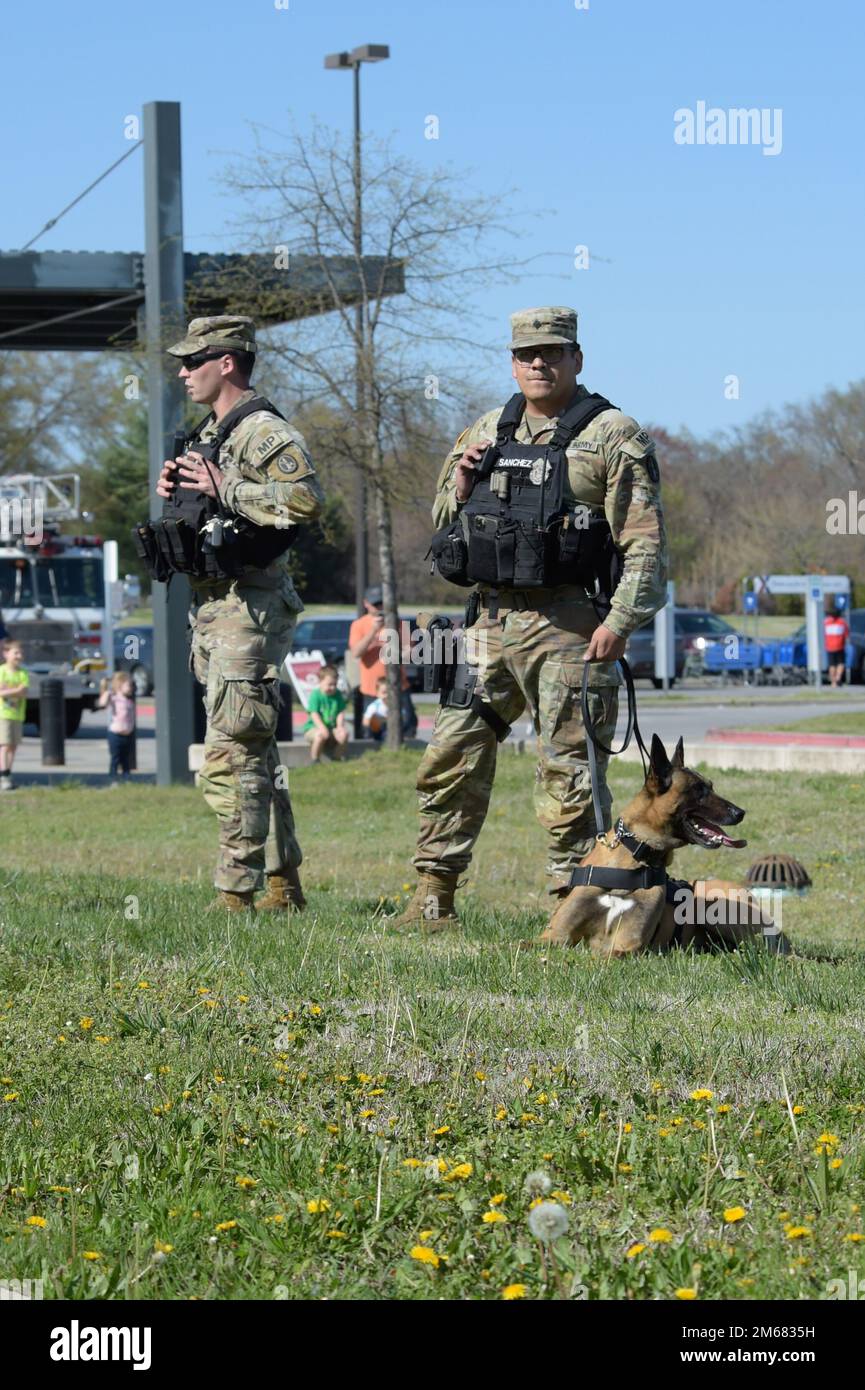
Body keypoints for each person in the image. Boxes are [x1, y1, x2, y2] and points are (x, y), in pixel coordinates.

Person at [394, 305, 668, 931]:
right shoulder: (486, 429)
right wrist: (462, 486)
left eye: (551, 352)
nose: (538, 363)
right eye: (525, 354)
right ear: (512, 362)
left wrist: (619, 622)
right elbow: (442, 522)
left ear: (577, 358)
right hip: (488, 625)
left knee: (569, 777)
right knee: (449, 757)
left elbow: (646, 543)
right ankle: (432, 898)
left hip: (569, 627)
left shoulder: (613, 435)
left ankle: (572, 916)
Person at [155, 316, 324, 913]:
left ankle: (234, 892)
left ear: (226, 363)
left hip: (249, 606)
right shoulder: (211, 432)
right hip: (215, 607)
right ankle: (282, 884)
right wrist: (181, 494)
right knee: (255, 747)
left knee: (231, 755)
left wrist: (225, 487)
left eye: (191, 362)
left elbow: (305, 500)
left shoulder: (262, 431)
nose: (182, 373)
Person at [348, 586, 417, 738]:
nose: (380, 607)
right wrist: (374, 630)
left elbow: (410, 652)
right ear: (366, 603)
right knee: (372, 731)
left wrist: (398, 649)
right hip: (371, 689)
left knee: (407, 727)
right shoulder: (359, 625)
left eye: (382, 603)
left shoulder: (398, 623)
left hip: (398, 685)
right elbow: (356, 653)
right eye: (376, 604)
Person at [303, 664, 349, 761]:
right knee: (320, 736)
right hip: (314, 728)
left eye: (335, 684)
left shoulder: (337, 694)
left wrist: (340, 727)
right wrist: (322, 727)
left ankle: (336, 758)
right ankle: (315, 759)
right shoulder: (316, 695)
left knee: (344, 735)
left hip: (331, 728)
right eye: (329, 684)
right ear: (320, 682)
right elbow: (314, 714)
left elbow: (340, 712)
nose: (333, 687)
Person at [0, 639, 29, 791]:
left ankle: (8, 774)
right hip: (3, 714)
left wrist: (8, 691)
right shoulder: (2, 671)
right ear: (6, 654)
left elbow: (23, 692)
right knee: (5, 745)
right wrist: (15, 690)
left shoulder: (23, 673)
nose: (19, 656)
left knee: (13, 746)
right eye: (16, 653)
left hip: (17, 715)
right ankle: (3, 775)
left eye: (21, 653)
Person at [97, 671, 136, 779]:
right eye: (128, 685)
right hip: (115, 735)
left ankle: (126, 776)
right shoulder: (114, 698)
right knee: (116, 757)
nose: (131, 688)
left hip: (127, 735)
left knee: (125, 758)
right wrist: (107, 692)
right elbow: (102, 703)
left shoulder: (129, 700)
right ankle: (113, 777)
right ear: (119, 686)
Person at [824, 605, 850, 687]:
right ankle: (838, 677)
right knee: (841, 663)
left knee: (832, 664)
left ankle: (833, 682)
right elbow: (847, 634)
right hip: (840, 646)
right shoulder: (842, 622)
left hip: (829, 647)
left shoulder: (826, 623)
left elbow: (823, 634)